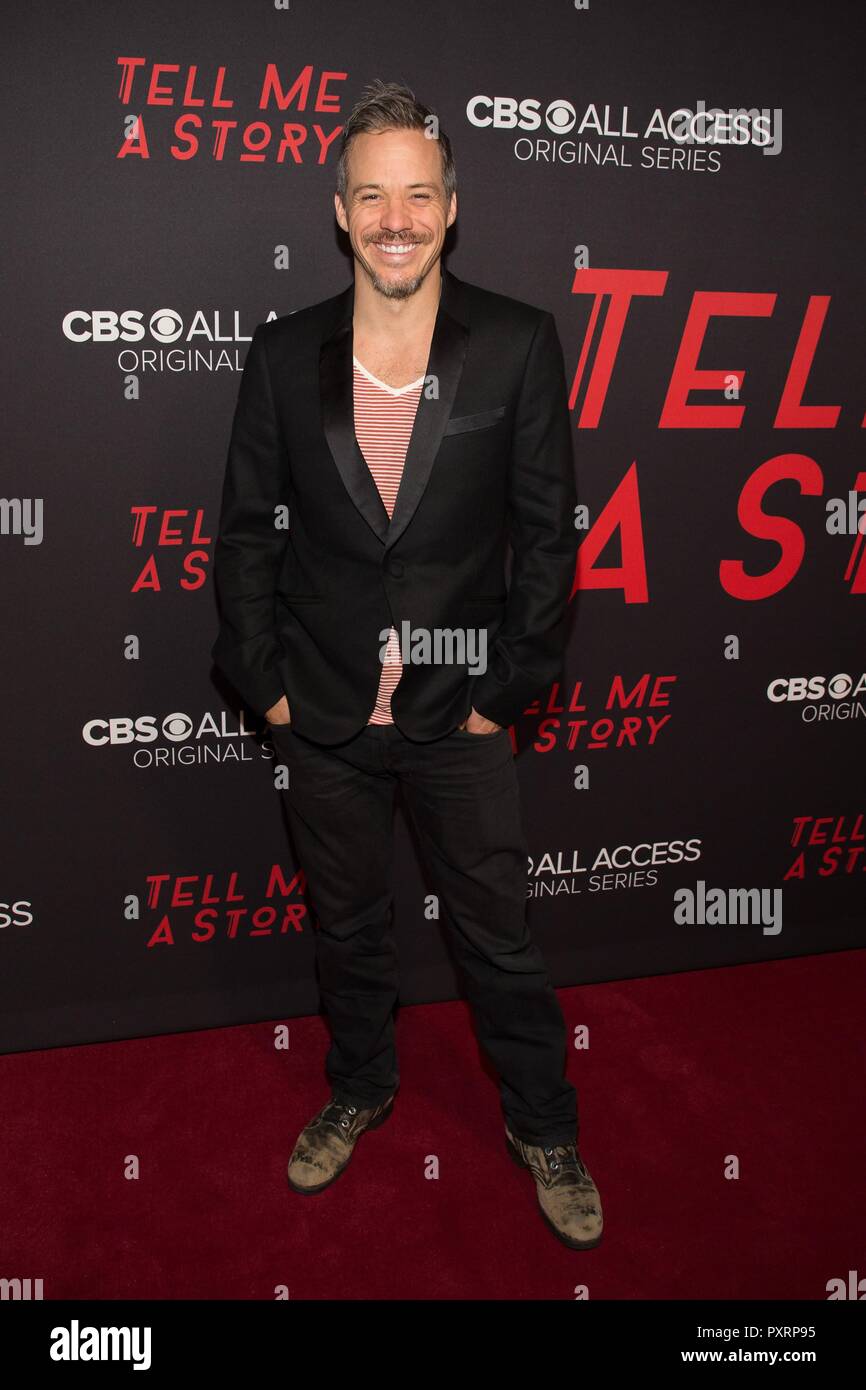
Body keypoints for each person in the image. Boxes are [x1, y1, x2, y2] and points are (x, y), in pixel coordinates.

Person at [211, 79, 602, 1250]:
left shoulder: (518, 341)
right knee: (347, 924)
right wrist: (265, 683)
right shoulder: (283, 356)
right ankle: (360, 1086)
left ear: (450, 206)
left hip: (459, 711)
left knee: (496, 937)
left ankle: (543, 1124)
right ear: (338, 210)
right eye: (371, 195)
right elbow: (241, 533)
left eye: (417, 194)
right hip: (319, 711)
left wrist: (504, 696)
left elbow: (548, 535)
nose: (396, 218)